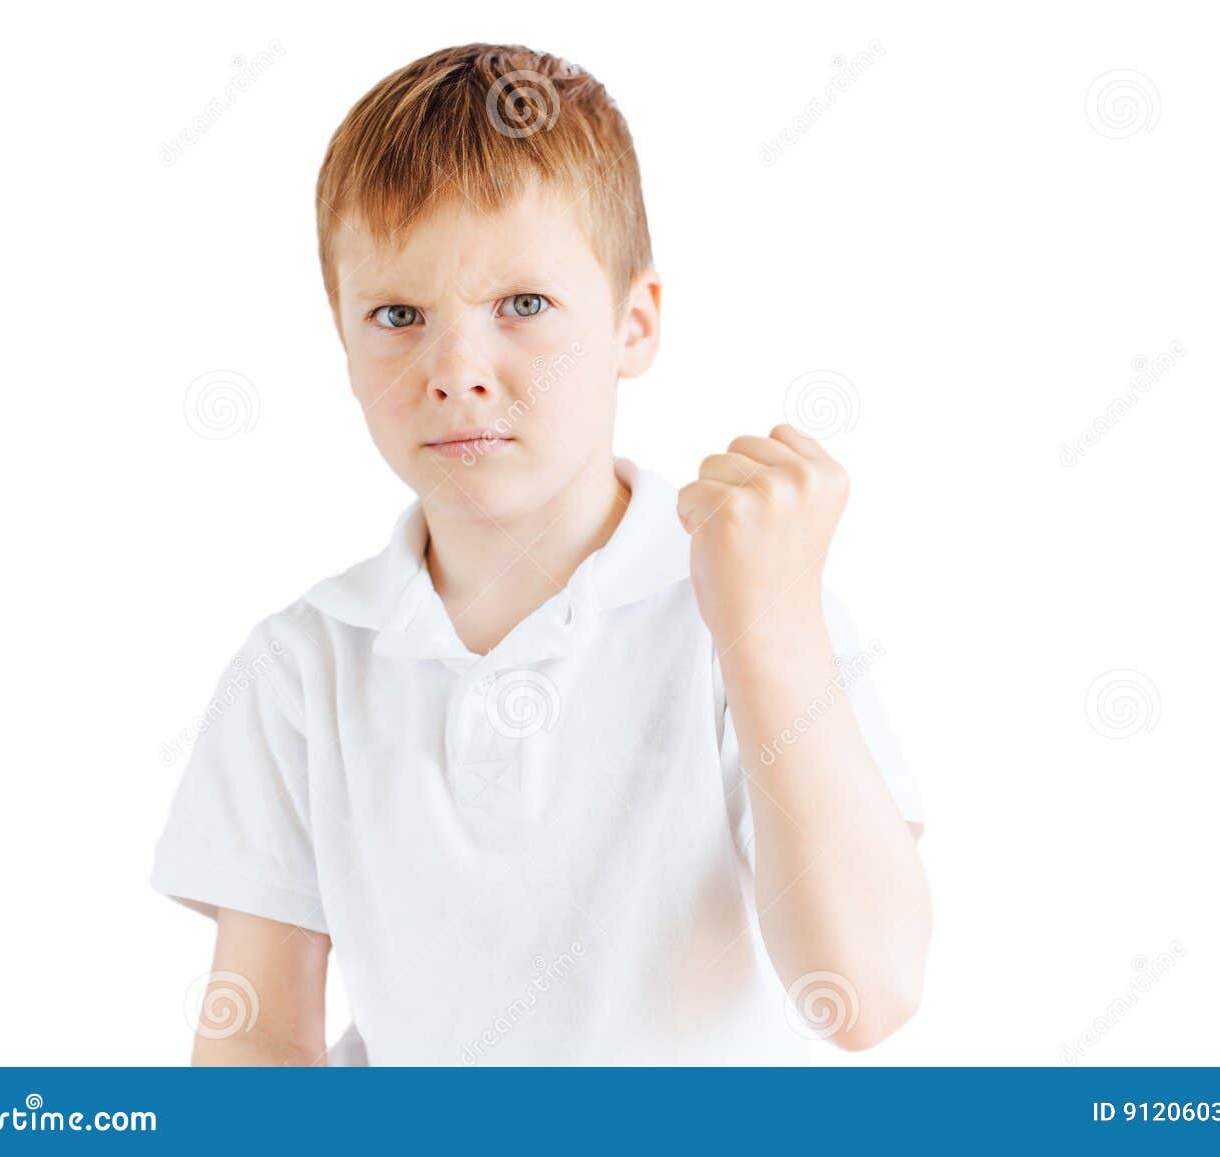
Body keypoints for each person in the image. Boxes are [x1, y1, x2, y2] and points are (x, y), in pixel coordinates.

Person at [150, 42, 930, 1065]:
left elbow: (864, 997)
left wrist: (768, 622)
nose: (456, 370)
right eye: (397, 315)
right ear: (343, 345)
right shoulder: (302, 667)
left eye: (522, 306)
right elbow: (254, 1052)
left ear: (633, 324)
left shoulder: (749, 613)